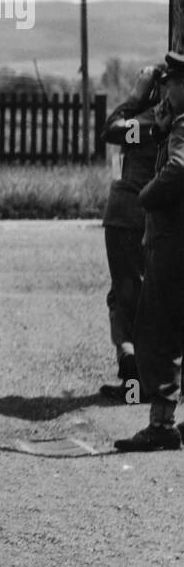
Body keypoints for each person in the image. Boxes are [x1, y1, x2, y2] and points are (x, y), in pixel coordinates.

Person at [115, 52, 184, 452]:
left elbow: (112, 132)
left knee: (157, 329)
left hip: (171, 241)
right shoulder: (165, 124)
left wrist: (147, 194)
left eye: (171, 83)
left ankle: (160, 424)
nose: (165, 90)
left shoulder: (175, 124)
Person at [99, 65, 162, 403]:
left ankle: (135, 381)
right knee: (138, 298)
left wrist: (136, 95)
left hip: (127, 217)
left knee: (126, 299)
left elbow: (111, 130)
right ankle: (139, 383)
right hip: (149, 217)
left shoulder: (150, 123)